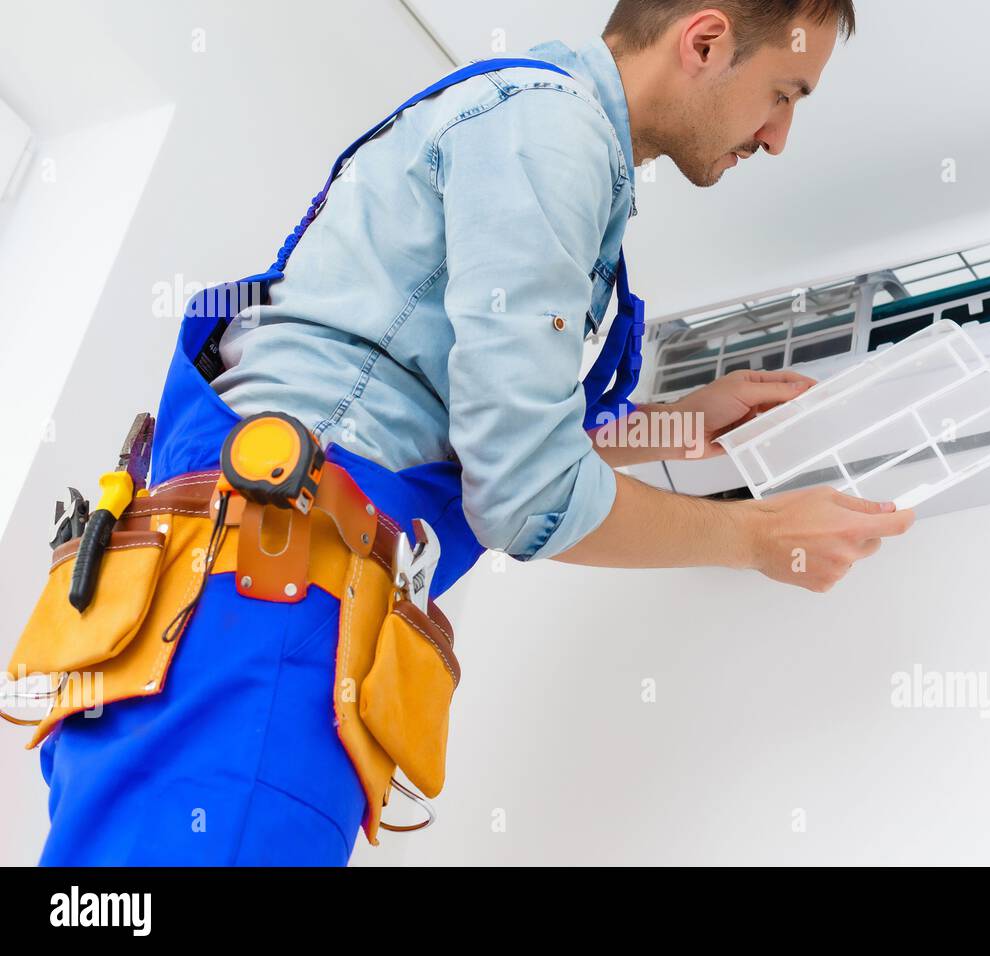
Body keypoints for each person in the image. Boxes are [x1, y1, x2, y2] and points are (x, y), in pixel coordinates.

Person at [31, 0, 911, 866]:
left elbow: (471, 427)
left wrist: (678, 428)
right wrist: (759, 540)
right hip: (268, 611)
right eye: (786, 93)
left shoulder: (537, 130)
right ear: (707, 40)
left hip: (227, 607)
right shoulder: (549, 134)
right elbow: (524, 494)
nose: (779, 135)